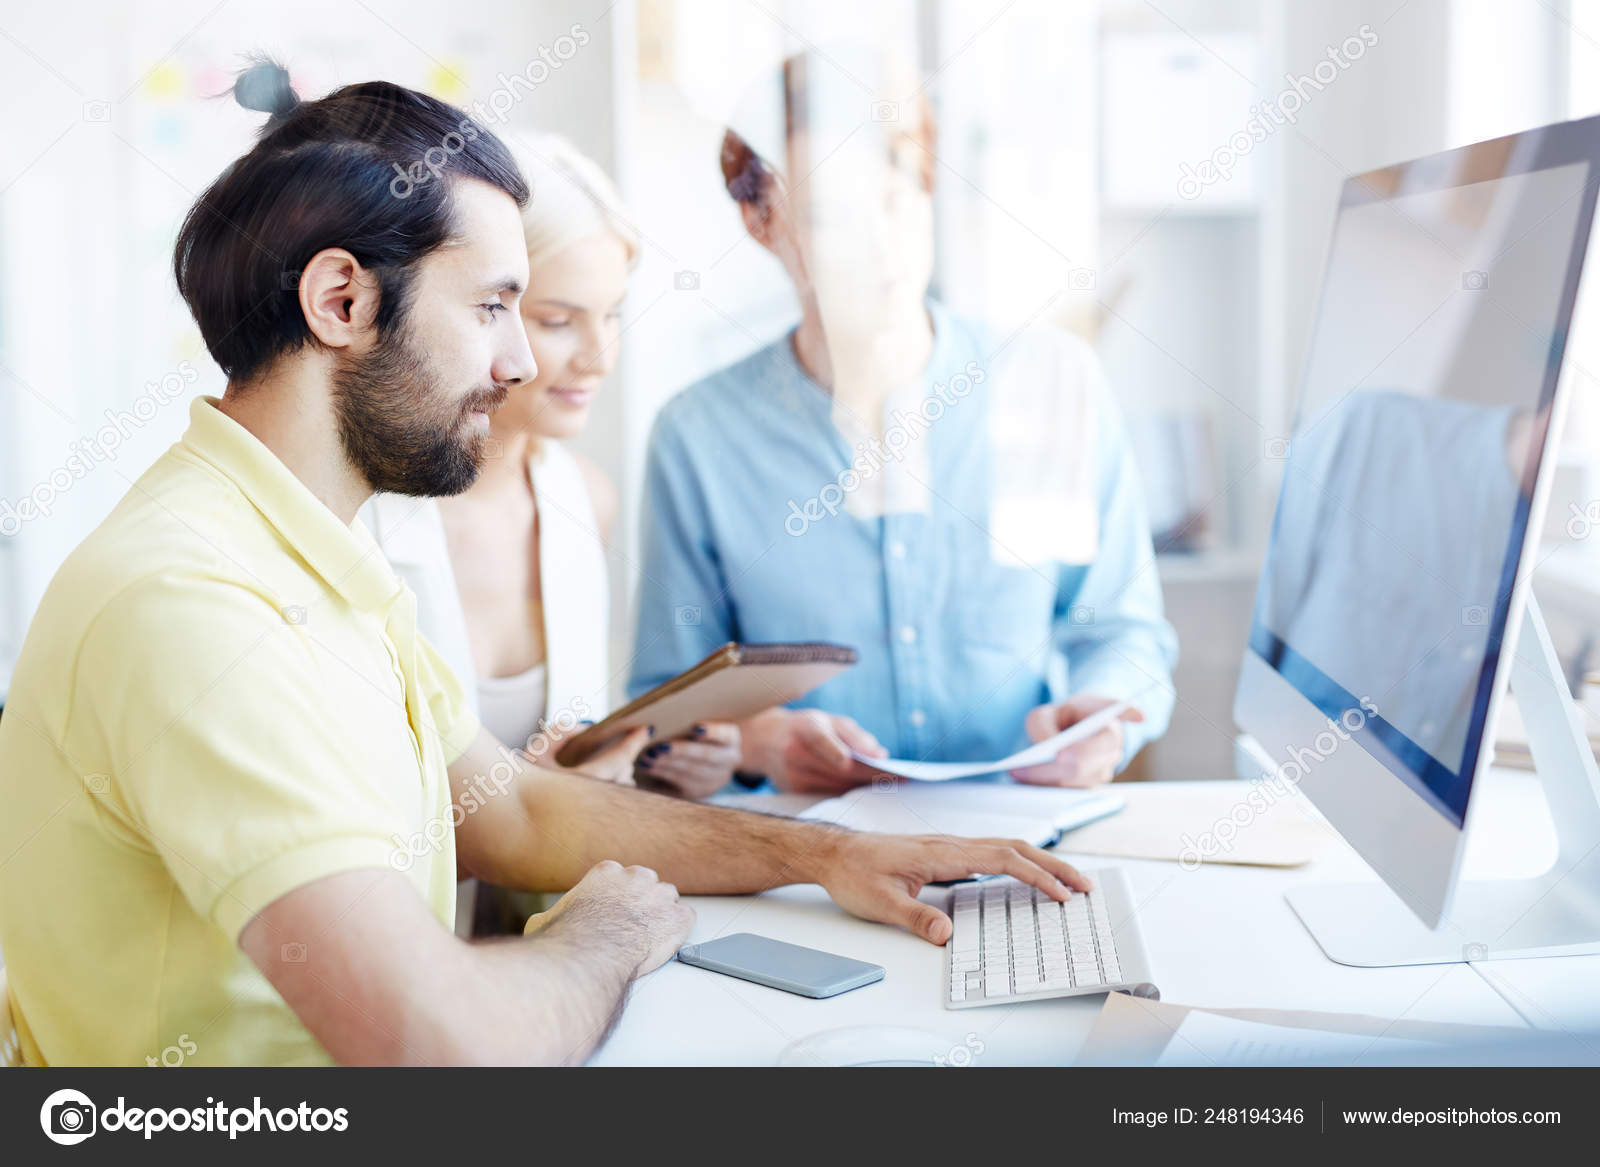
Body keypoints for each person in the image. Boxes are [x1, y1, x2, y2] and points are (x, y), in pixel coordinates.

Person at [0, 62, 1090, 1067]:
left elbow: (508, 808)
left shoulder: (310, 553)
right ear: (341, 302)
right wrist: (606, 937)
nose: (520, 363)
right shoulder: (197, 606)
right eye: (492, 309)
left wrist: (821, 858)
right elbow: (446, 1050)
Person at [629, 50, 1178, 796]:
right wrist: (758, 743)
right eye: (831, 213)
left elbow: (1122, 631)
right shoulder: (697, 437)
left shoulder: (1052, 381)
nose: (877, 241)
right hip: (807, 859)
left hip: (1015, 833)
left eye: (898, 197)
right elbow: (659, 715)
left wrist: (1105, 716)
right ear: (761, 220)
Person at [358, 135, 741, 934]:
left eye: (612, 316)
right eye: (561, 320)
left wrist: (639, 773)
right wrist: (527, 803)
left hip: (548, 947)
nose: (598, 356)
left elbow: (571, 780)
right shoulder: (363, 521)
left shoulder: (583, 501)